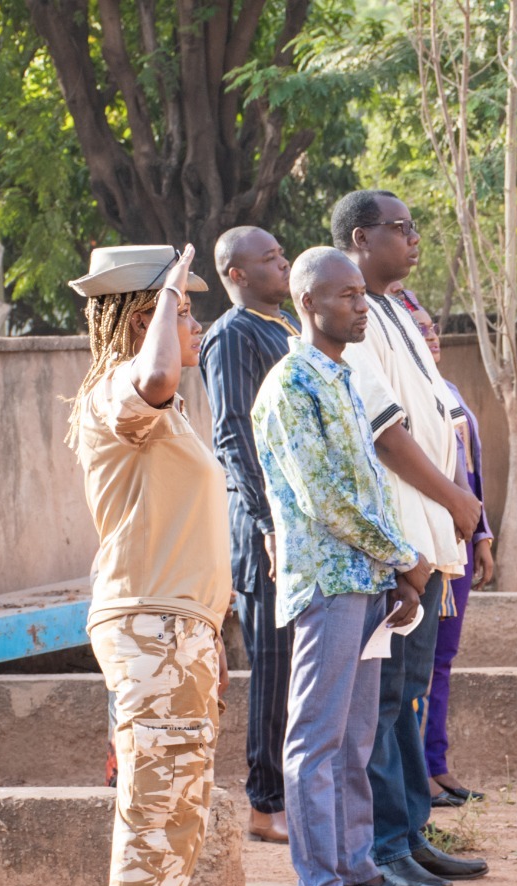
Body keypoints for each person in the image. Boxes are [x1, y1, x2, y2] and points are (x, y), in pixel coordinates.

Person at [67, 242, 246, 886]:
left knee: (177, 817)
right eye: (183, 308)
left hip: (181, 635)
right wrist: (166, 287)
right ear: (145, 319)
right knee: (151, 815)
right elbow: (155, 378)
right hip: (149, 632)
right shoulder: (122, 393)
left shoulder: (166, 419)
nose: (196, 321)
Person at [253, 247, 436, 886]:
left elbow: (370, 488)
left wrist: (395, 572)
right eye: (347, 296)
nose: (361, 305)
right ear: (308, 303)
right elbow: (326, 499)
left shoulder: (343, 379)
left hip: (367, 580)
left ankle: (359, 866)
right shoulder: (290, 385)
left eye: (363, 294)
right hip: (327, 582)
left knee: (356, 735)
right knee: (316, 739)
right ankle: (319, 883)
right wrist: (407, 557)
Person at [332, 189, 490, 886]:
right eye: (401, 228)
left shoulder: (397, 309)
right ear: (361, 239)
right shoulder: (354, 314)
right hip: (402, 531)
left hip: (432, 531)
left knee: (411, 690)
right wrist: (456, 496)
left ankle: (411, 830)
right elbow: (386, 433)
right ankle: (385, 844)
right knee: (386, 695)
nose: (414, 237)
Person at [200, 226, 299, 845]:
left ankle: (295, 791)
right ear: (235, 274)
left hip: (300, 519)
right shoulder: (233, 336)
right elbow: (234, 435)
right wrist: (267, 522)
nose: (282, 262)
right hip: (264, 522)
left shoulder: (286, 326)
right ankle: (265, 804)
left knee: (301, 666)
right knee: (273, 663)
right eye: (268, 258)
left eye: (281, 254)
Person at [400, 289, 495, 807]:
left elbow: (471, 472)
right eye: (418, 328)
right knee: (417, 661)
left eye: (432, 325)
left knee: (443, 659)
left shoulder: (449, 389)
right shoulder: (404, 393)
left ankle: (436, 763)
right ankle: (417, 772)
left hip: (460, 539)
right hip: (425, 540)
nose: (430, 334)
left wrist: (482, 535)